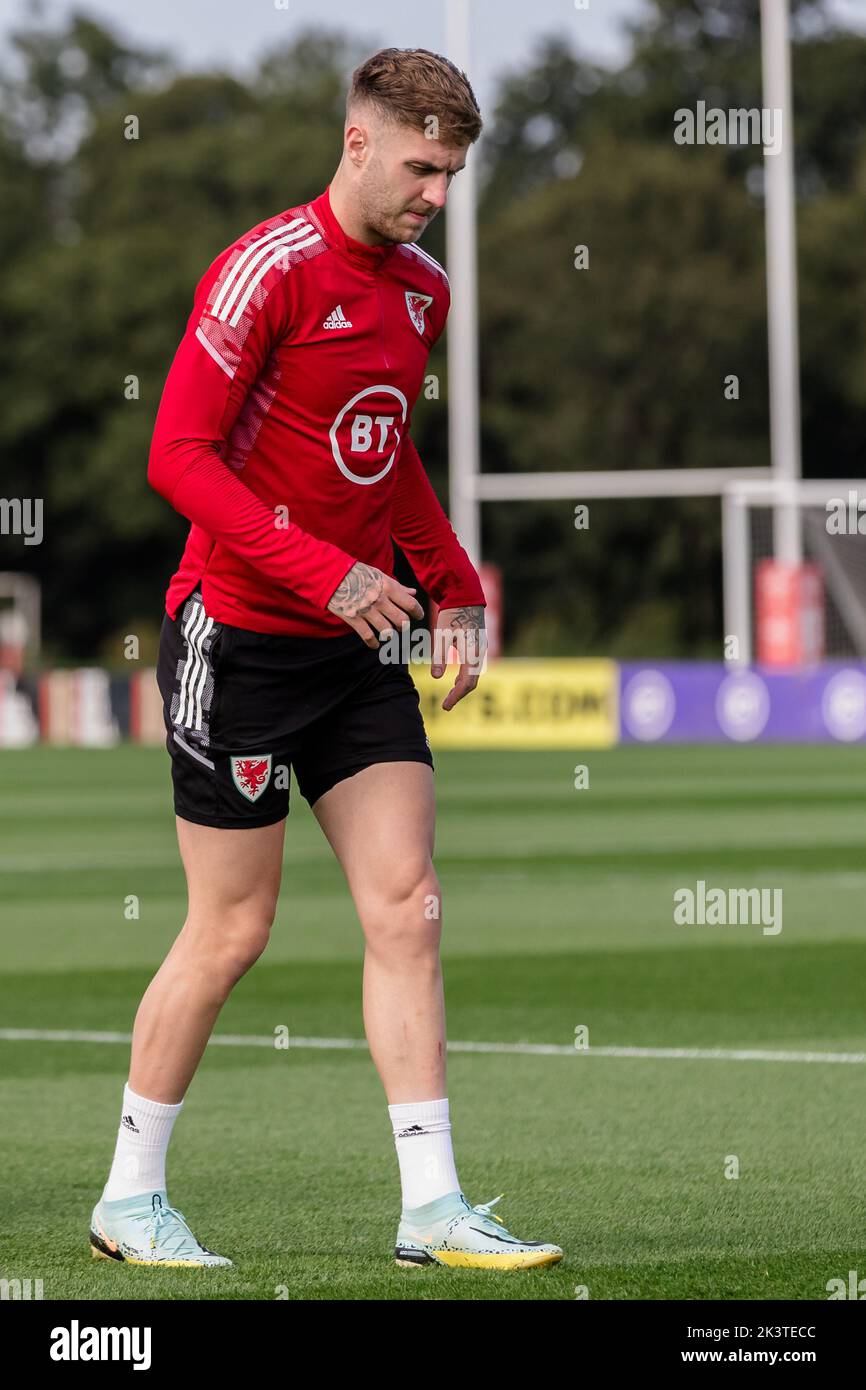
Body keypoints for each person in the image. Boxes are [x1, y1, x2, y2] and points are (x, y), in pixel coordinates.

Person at [89, 46, 562, 1273]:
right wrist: (327, 572)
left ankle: (432, 1209)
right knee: (231, 931)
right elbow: (178, 458)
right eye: (420, 168)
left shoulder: (421, 293)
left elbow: (385, 455)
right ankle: (128, 1198)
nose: (436, 197)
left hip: (356, 647)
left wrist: (447, 582)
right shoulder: (266, 271)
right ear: (356, 142)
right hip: (236, 639)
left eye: (453, 173)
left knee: (408, 903)